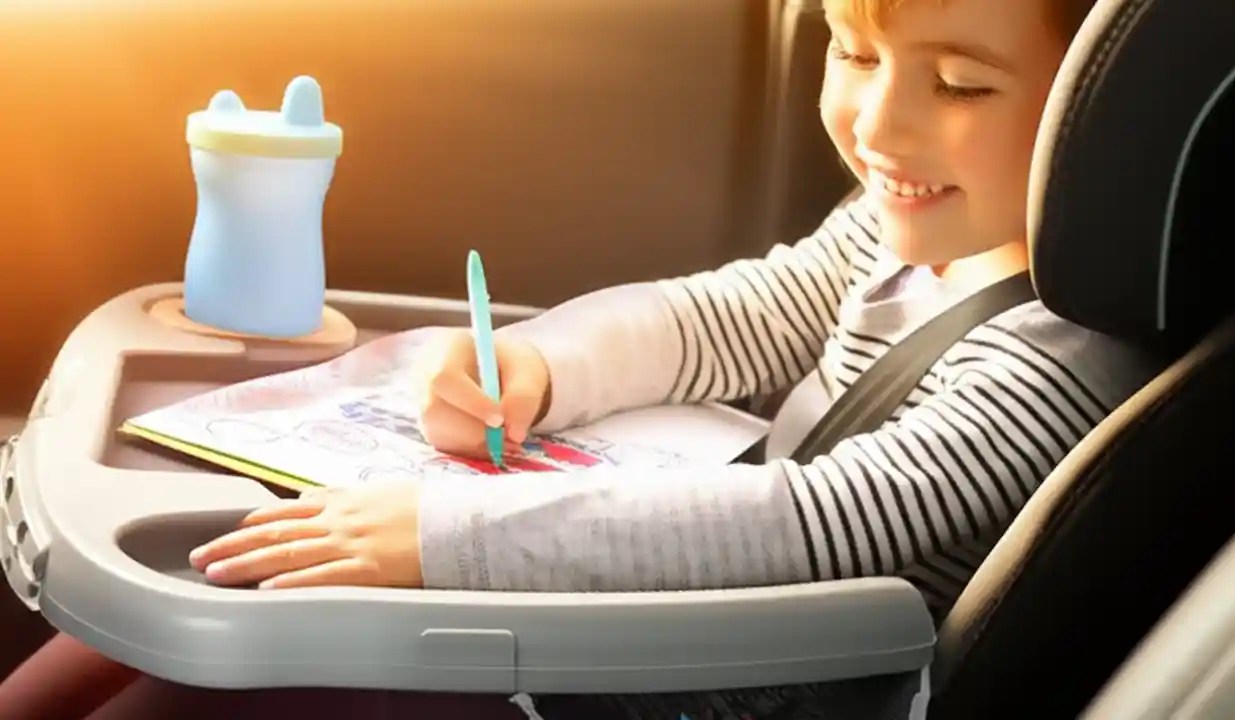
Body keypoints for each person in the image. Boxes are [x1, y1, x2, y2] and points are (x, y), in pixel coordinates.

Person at [0, 0, 1153, 717]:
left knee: (235, 668)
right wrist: (542, 369)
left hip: (705, 688)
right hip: (648, 629)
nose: (878, 128)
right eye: (851, 54)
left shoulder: (1055, 361)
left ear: (1104, 111)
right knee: (173, 603)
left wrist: (442, 542)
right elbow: (733, 313)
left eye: (958, 85)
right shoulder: (909, 226)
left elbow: (816, 523)